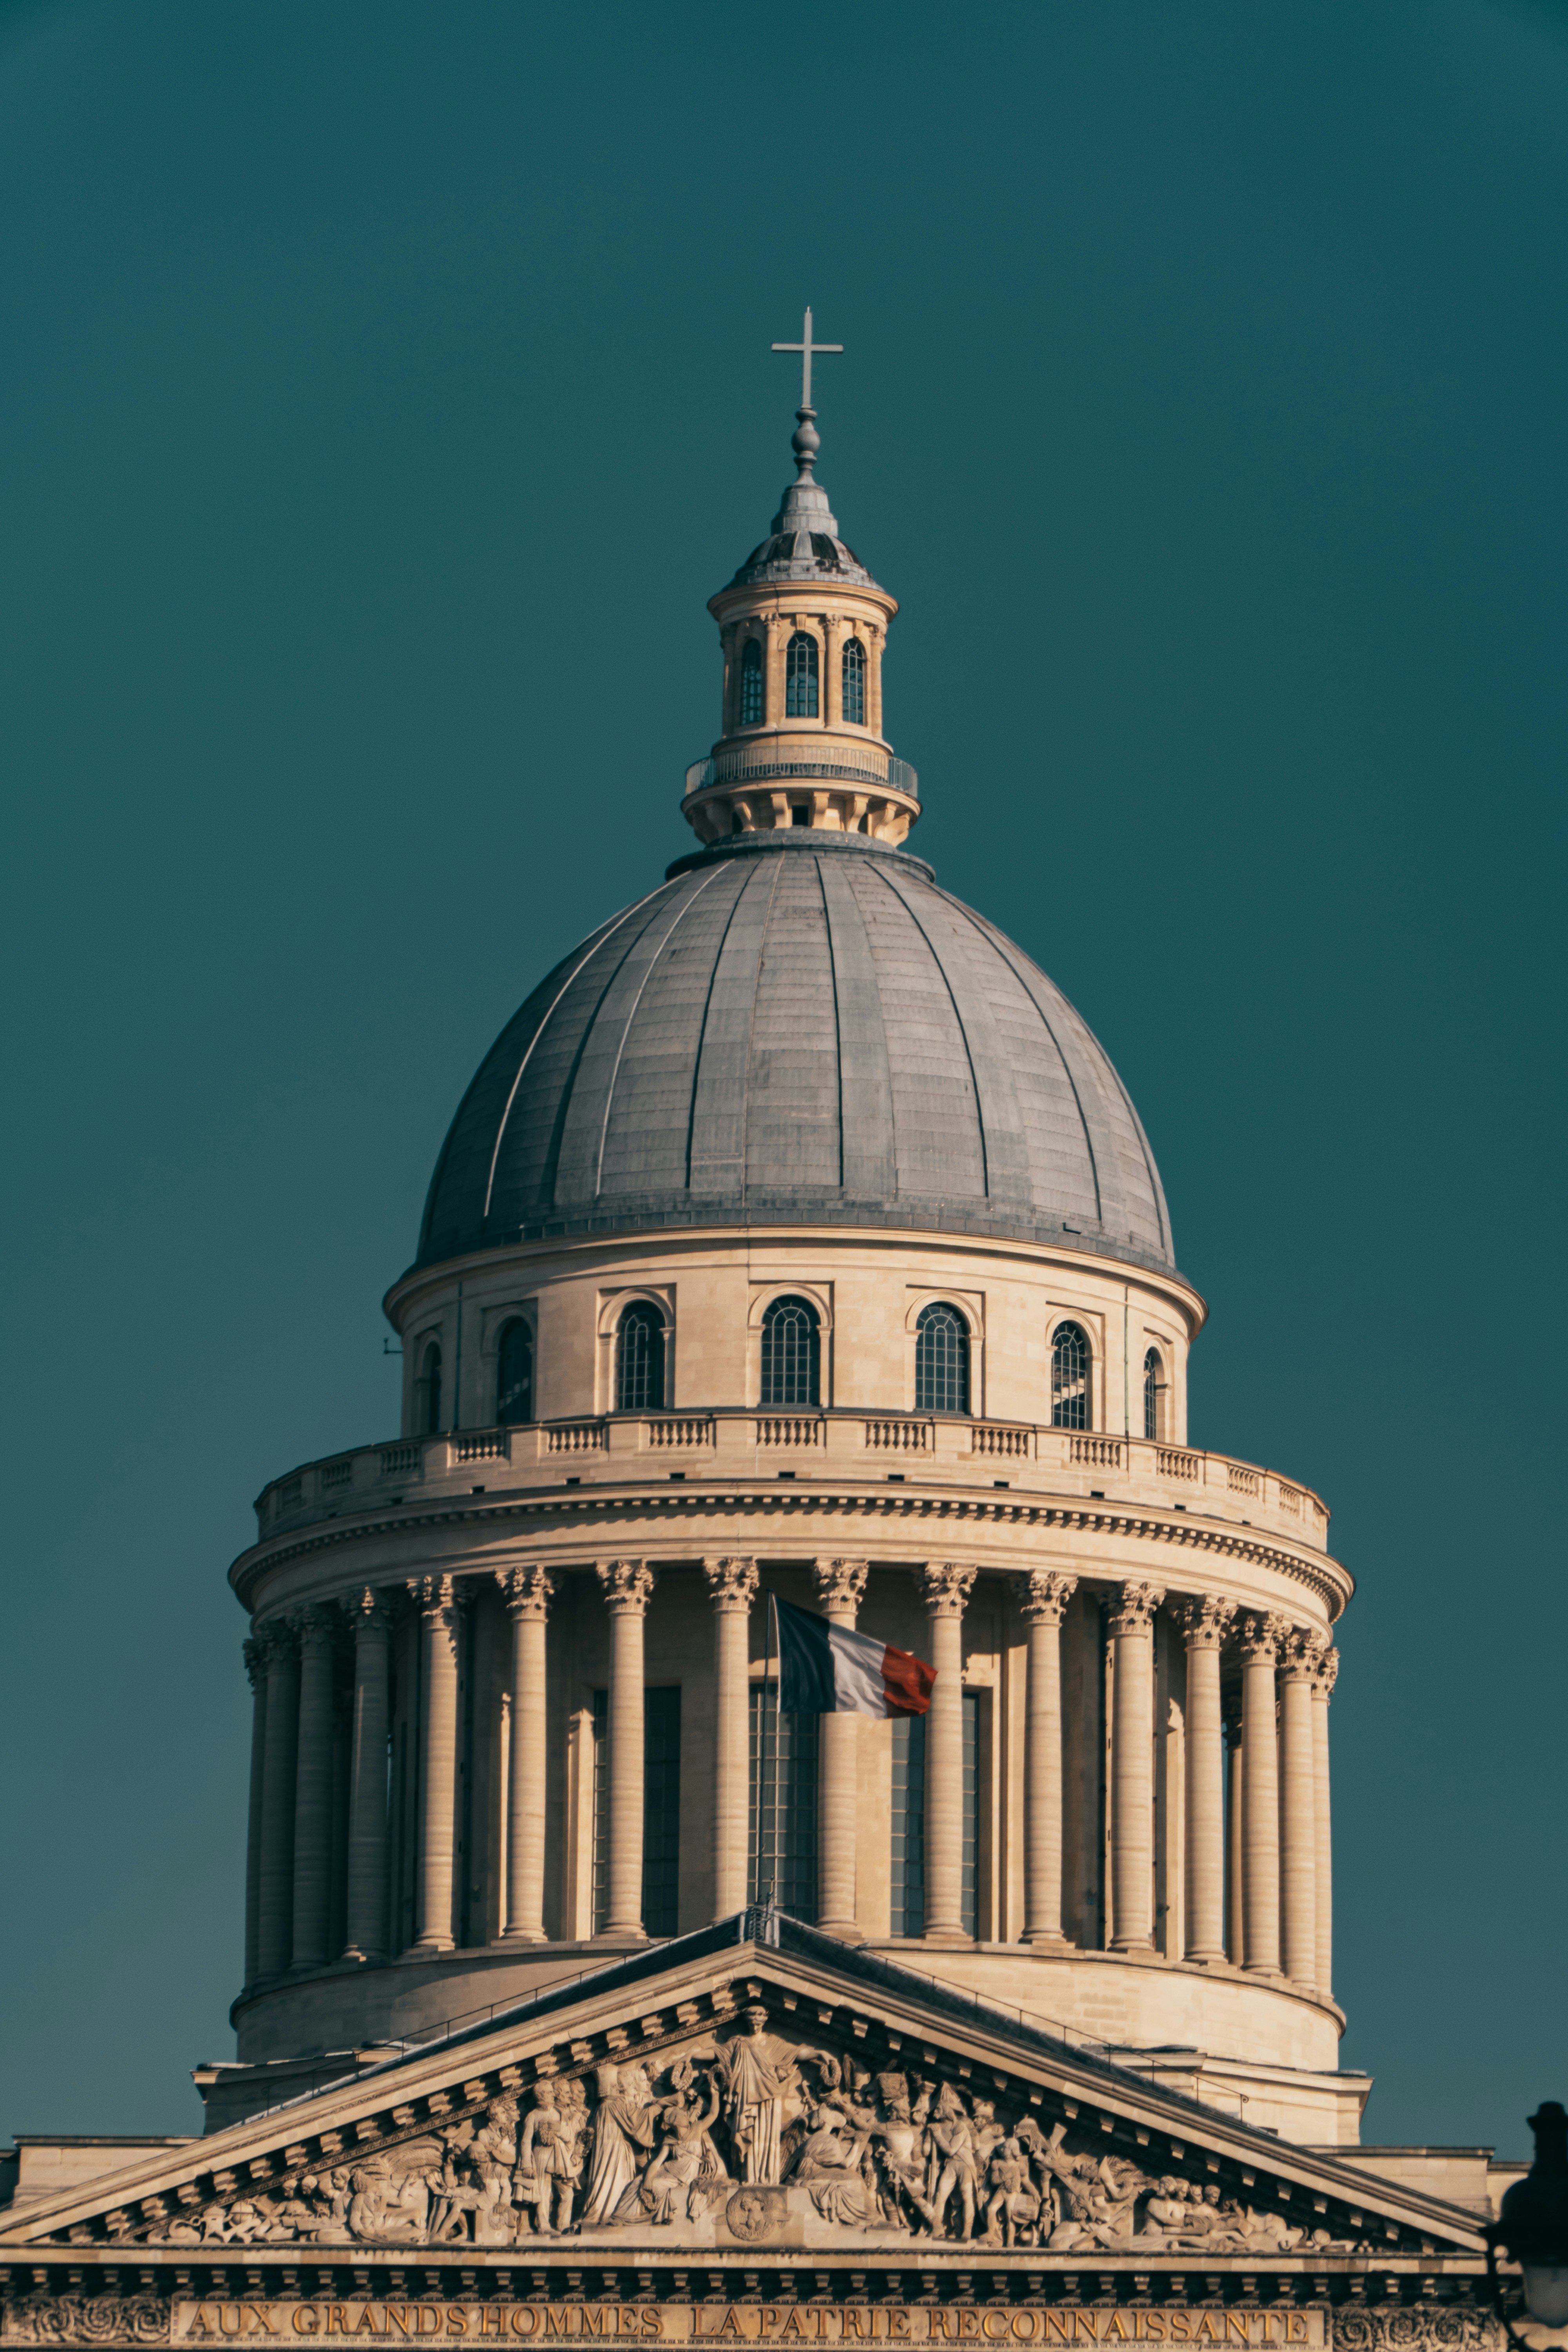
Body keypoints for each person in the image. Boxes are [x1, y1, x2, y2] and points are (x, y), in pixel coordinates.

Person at [579, 2063, 658, 2227]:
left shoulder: (600, 2109)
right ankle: (610, 2214)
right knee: (616, 2186)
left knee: (604, 2184)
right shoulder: (615, 2105)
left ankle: (601, 2212)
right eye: (617, 2087)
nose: (620, 2090)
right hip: (616, 2156)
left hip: (607, 2155)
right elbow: (636, 2121)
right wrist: (660, 2106)